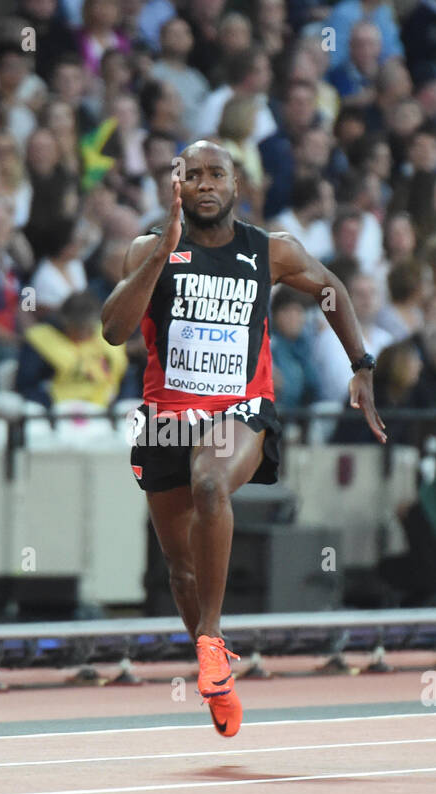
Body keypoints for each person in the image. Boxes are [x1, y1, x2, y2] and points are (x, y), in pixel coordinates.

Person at [100, 140, 385, 737]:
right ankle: (214, 662)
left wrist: (361, 363)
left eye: (216, 174)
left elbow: (329, 287)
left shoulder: (270, 251)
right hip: (163, 420)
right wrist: (159, 259)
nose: (205, 184)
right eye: (192, 176)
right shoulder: (148, 249)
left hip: (241, 410)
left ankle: (209, 635)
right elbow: (112, 330)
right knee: (180, 568)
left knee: (211, 483)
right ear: (174, 188)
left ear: (237, 186)